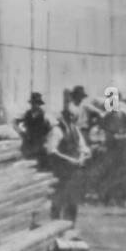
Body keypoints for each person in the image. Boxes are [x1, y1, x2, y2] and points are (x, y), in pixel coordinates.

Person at [48, 92, 90, 225]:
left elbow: (84, 147)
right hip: (61, 172)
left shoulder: (76, 130)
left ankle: (70, 227)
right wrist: (68, 159)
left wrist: (82, 156)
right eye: (68, 116)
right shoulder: (57, 130)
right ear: (63, 117)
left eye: (73, 117)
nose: (71, 119)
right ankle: (55, 227)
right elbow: (52, 151)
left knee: (73, 201)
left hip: (75, 171)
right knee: (59, 201)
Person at [98, 95, 126, 206]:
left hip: (123, 145)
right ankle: (110, 198)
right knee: (111, 171)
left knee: (122, 171)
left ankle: (124, 198)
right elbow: (103, 128)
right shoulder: (106, 115)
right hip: (112, 146)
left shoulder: (123, 112)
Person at [15, 92, 52, 168]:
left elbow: (49, 129)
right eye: (33, 103)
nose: (35, 105)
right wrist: (21, 133)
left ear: (39, 104)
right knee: (25, 163)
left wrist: (45, 139)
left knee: (40, 164)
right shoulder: (27, 114)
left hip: (39, 143)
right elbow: (15, 122)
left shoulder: (44, 115)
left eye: (37, 103)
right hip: (28, 142)